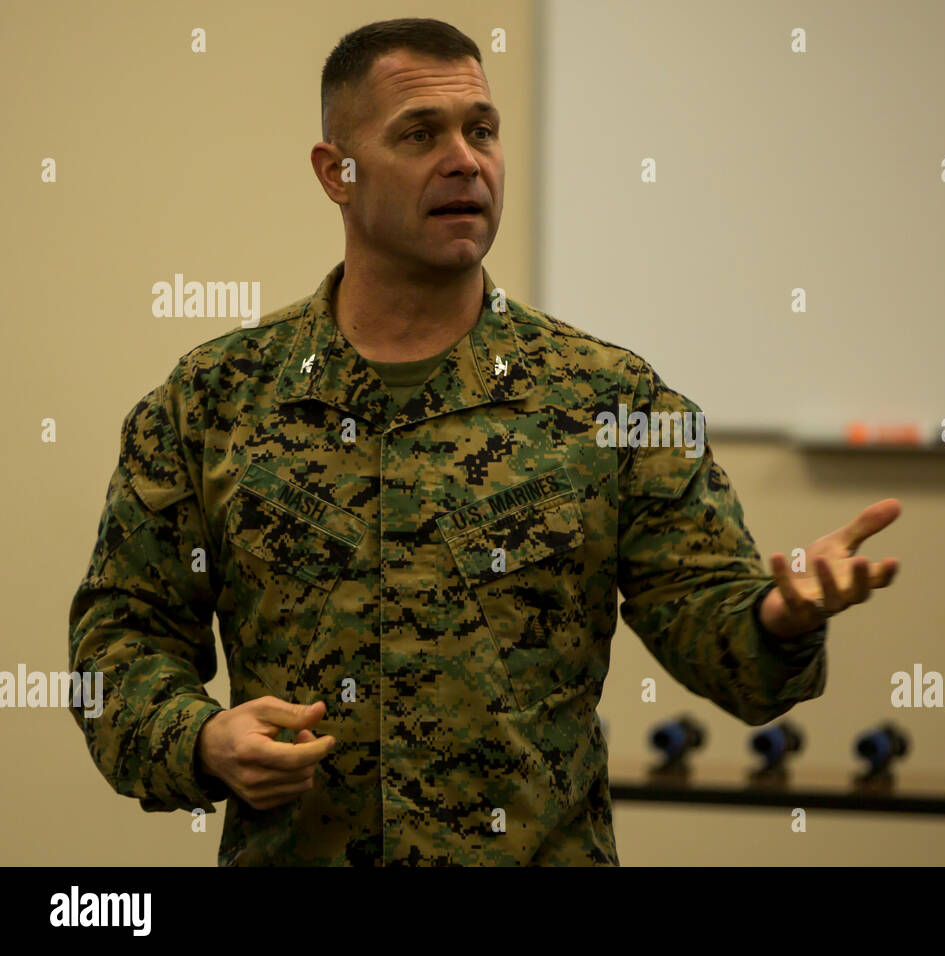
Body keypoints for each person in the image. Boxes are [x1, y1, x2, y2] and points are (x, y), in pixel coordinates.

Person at [67, 17, 901, 866]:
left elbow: (729, 649)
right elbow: (119, 645)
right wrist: (202, 739)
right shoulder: (214, 400)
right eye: (421, 134)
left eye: (483, 130)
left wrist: (779, 618)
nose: (465, 159)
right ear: (337, 174)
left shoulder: (610, 400)